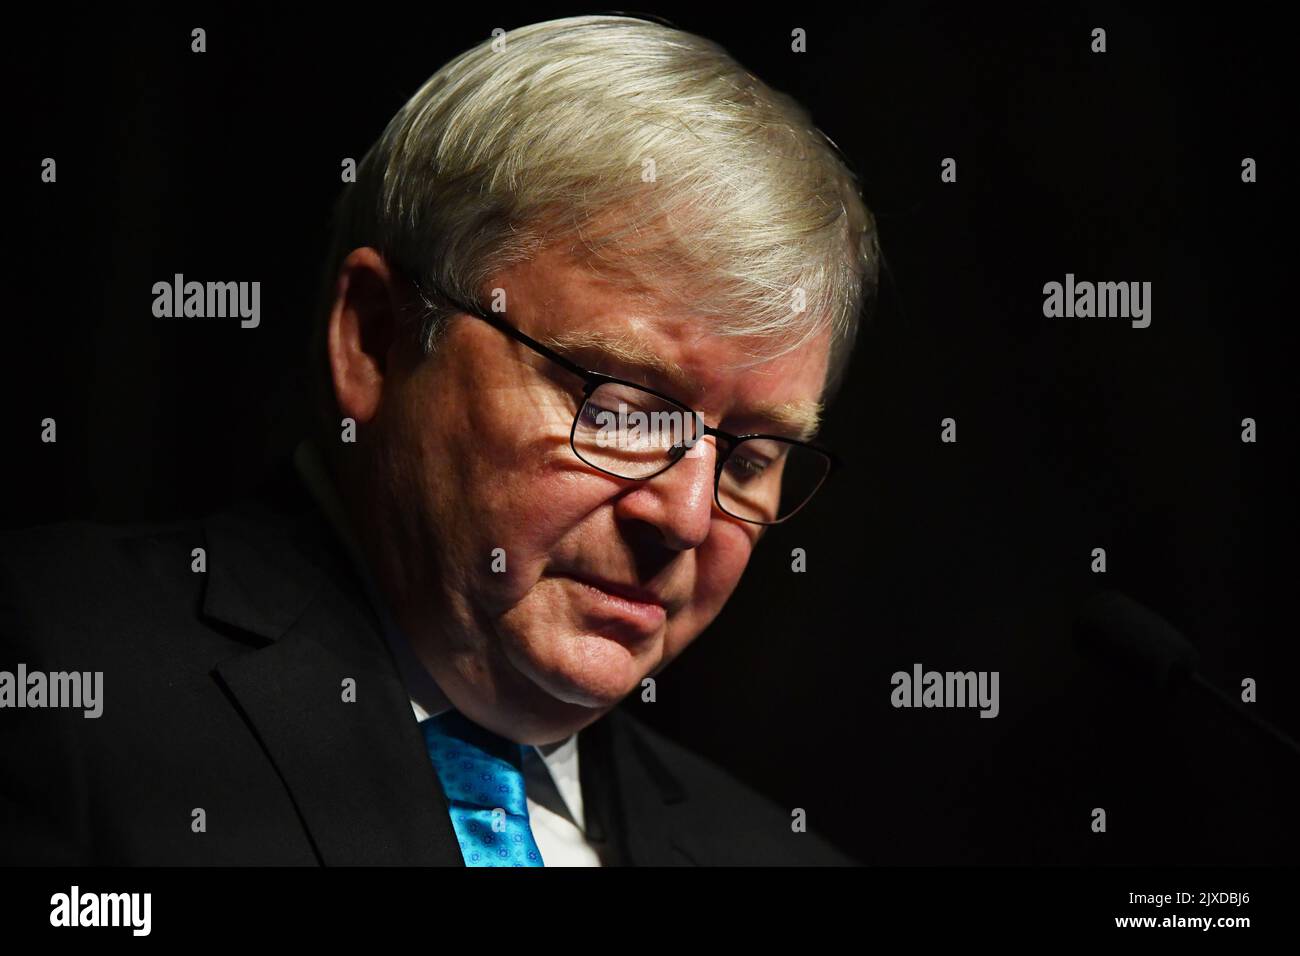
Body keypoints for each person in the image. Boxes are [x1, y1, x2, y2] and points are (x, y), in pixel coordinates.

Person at [0, 14, 878, 866]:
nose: (686, 519)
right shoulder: (54, 672)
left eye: (753, 457)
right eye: (621, 408)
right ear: (377, 338)